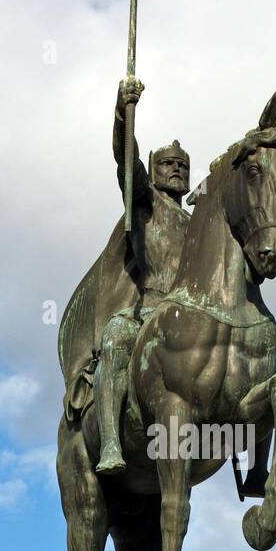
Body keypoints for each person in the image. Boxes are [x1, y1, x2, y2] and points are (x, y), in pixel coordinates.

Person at [94, 77, 191, 474]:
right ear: (154, 171)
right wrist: (123, 112)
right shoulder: (144, 201)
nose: (177, 171)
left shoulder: (199, 222)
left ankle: (250, 462)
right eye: (168, 164)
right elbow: (125, 158)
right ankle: (111, 442)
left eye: (183, 166)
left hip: (192, 314)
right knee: (116, 339)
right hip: (149, 310)